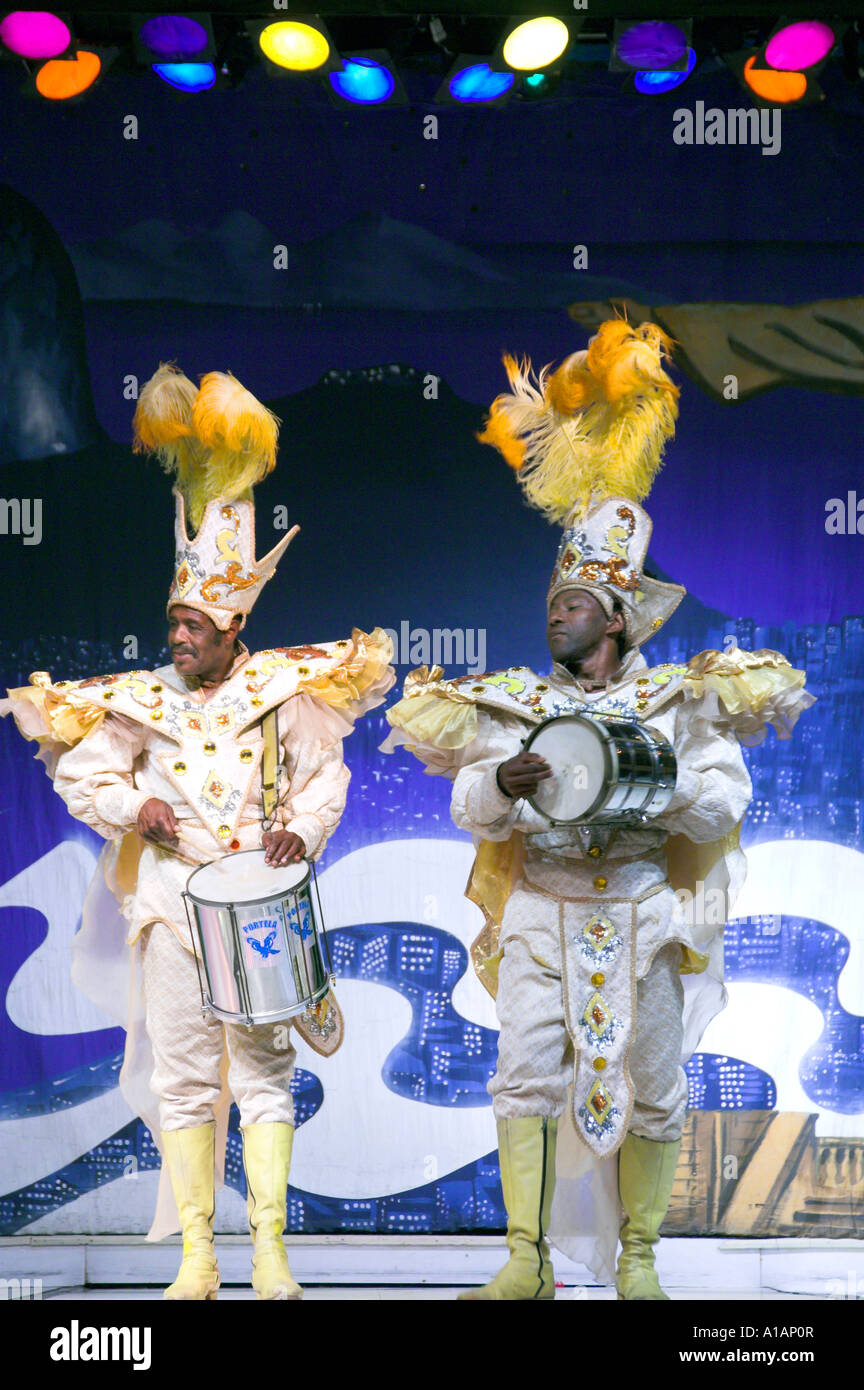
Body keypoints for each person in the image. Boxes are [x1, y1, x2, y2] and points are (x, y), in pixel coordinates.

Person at [383, 320, 813, 1300]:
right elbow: (464, 804)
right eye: (553, 598)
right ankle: (525, 1262)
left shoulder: (681, 703)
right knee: (522, 1080)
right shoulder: (519, 706)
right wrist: (504, 785)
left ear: (617, 617)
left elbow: (720, 809)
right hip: (541, 908)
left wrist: (652, 783)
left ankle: (640, 1261)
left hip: (643, 914)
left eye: (575, 602)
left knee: (656, 1085)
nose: (556, 611)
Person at [2, 364, 394, 1300]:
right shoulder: (142, 701)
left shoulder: (278, 692)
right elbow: (88, 772)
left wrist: (300, 830)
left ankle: (267, 1250)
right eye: (173, 620)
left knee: (263, 1072)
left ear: (231, 626)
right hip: (173, 907)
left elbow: (324, 777)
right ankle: (196, 1254)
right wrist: (132, 809)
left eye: (192, 623)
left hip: (257, 901)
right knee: (184, 1077)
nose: (176, 635)